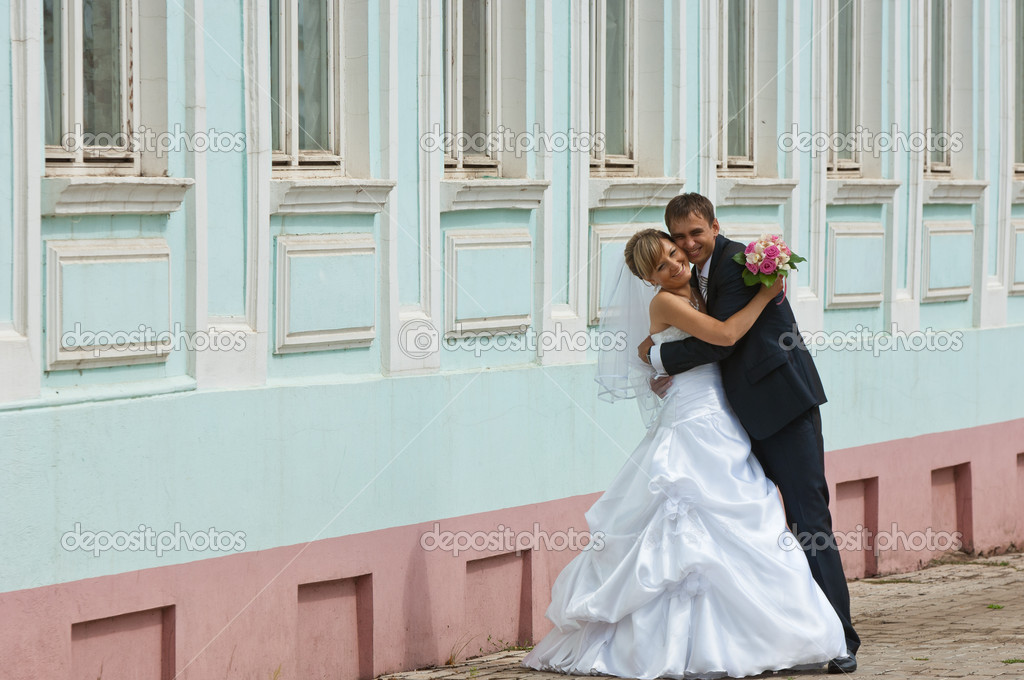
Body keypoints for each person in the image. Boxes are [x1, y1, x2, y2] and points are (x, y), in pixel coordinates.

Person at [522, 229, 847, 680]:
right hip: (694, 420)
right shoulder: (665, 302)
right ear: (647, 278)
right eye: (661, 265)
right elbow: (726, 334)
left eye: (675, 254)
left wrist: (656, 358)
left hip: (724, 414)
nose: (675, 264)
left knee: (748, 522)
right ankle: (680, 646)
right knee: (686, 525)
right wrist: (766, 294)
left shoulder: (701, 287)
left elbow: (670, 348)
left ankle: (765, 636)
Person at [640, 193, 859, 674]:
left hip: (782, 407)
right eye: (677, 238)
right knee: (755, 528)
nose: (687, 244)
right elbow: (690, 328)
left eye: (695, 233)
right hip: (733, 417)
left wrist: (660, 358)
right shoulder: (693, 276)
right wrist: (654, 346)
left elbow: (723, 339)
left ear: (715, 225)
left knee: (808, 519)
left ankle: (840, 638)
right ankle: (775, 634)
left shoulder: (742, 264)